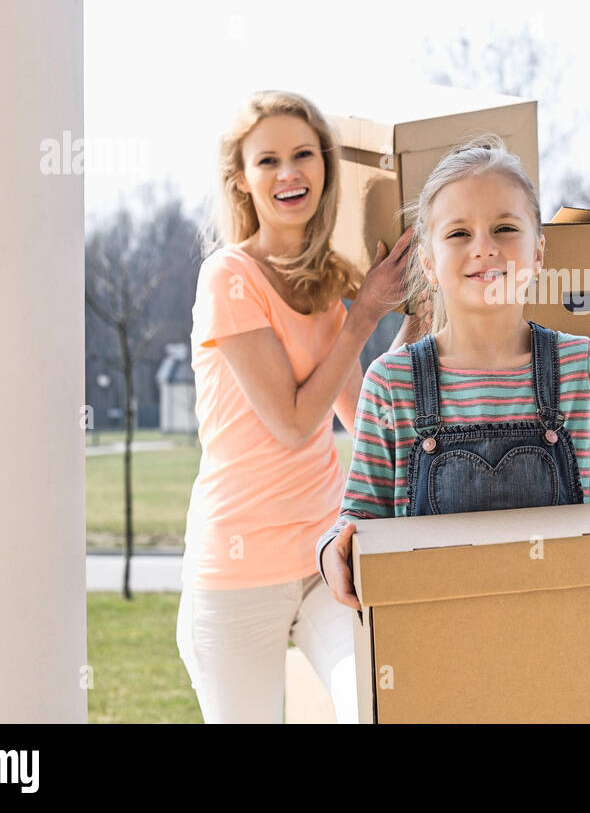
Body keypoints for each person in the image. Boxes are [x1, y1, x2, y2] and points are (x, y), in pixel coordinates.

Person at [316, 135, 590, 607]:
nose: (483, 248)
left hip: (568, 630)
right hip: (439, 632)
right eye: (458, 233)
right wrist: (332, 553)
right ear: (428, 261)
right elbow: (361, 515)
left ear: (539, 252)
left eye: (505, 228)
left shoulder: (585, 367)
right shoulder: (391, 382)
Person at [176, 90, 427, 723]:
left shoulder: (327, 284)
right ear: (242, 180)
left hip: (324, 561)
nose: (289, 173)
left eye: (303, 155)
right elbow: (291, 423)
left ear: (324, 167)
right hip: (235, 575)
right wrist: (365, 310)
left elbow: (365, 417)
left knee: (378, 707)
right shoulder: (228, 276)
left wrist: (420, 319)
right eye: (268, 161)